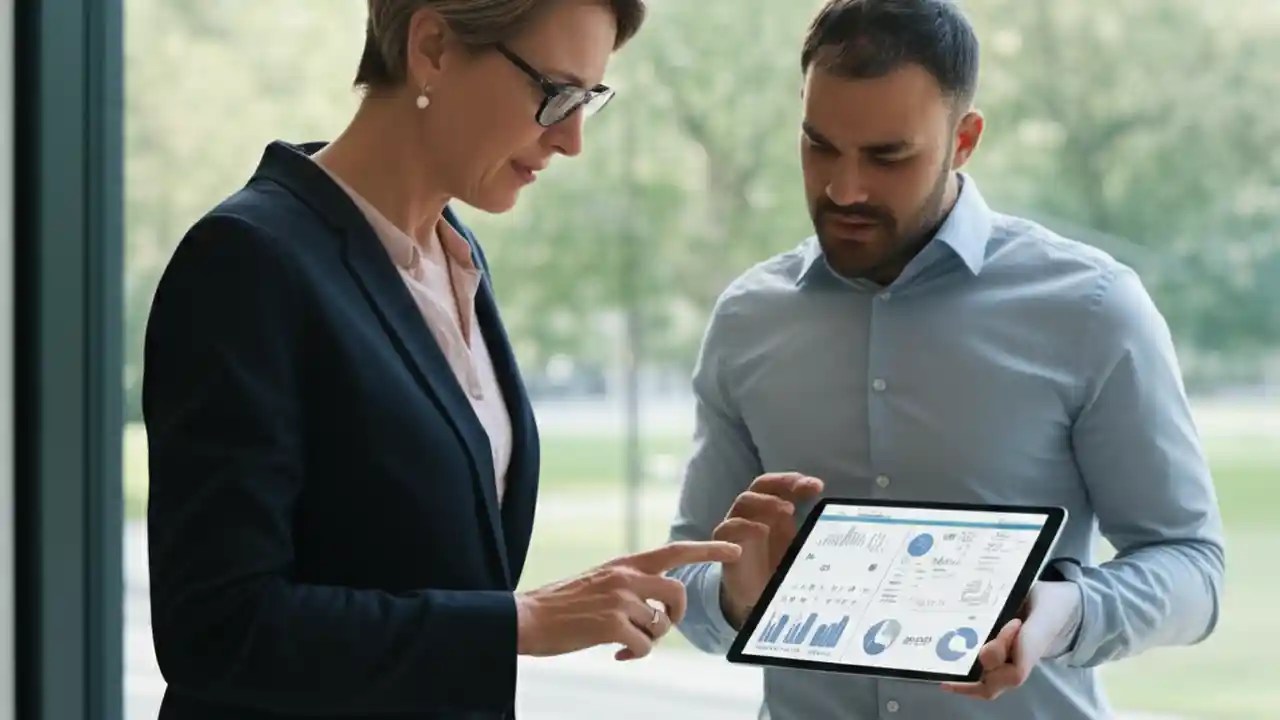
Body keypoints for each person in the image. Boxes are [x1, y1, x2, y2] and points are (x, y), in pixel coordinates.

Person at [142, 1, 742, 718]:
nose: (574, 139)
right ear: (432, 47)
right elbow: (215, 628)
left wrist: (565, 604)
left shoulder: (453, 255)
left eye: (589, 98)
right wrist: (524, 622)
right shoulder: (246, 263)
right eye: (555, 93)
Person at [667, 1, 1225, 718]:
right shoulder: (749, 319)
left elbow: (1193, 569)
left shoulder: (1091, 309)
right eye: (819, 146)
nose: (844, 189)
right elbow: (687, 578)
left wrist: (1066, 612)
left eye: (887, 156)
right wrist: (736, 597)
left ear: (965, 140)